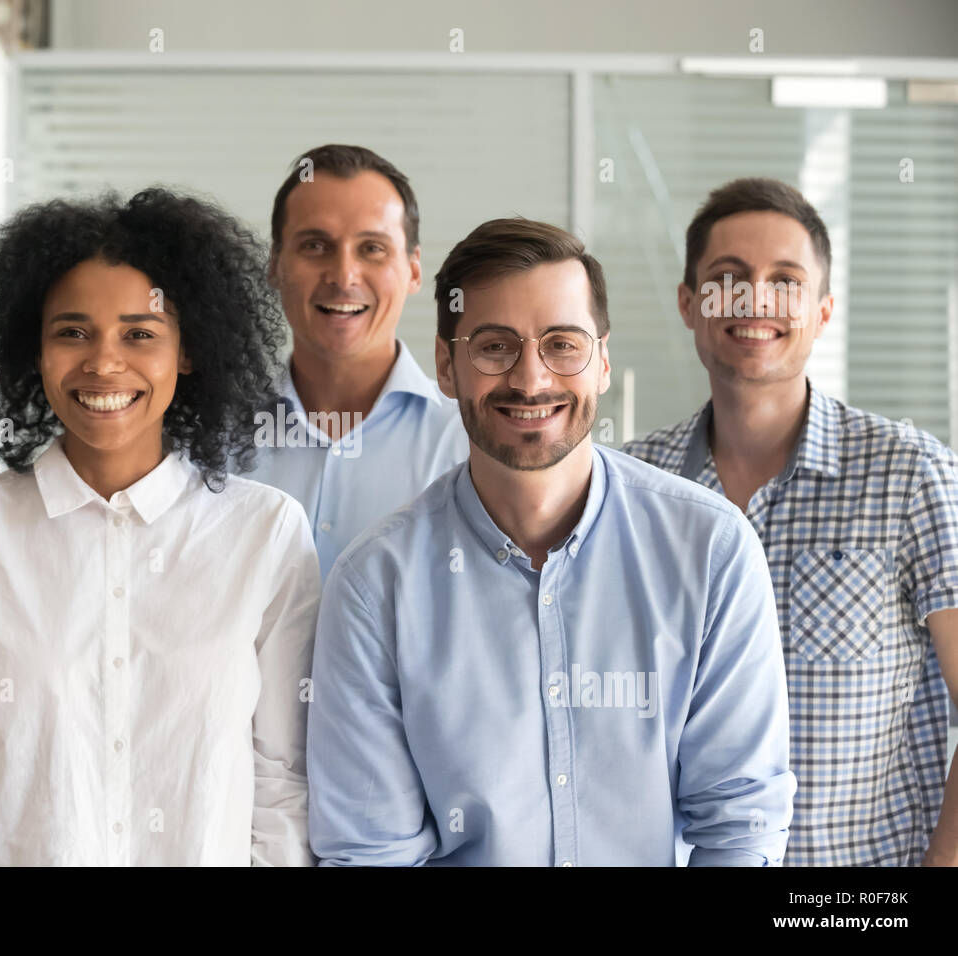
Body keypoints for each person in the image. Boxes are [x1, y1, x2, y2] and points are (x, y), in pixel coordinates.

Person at [307, 216, 796, 866]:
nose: (531, 379)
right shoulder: (375, 585)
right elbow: (372, 853)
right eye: (494, 347)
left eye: (563, 344)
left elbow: (739, 829)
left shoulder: (710, 550)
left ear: (602, 362)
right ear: (447, 367)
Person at [0, 188, 320, 866]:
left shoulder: (267, 533)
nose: (104, 363)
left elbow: (282, 784)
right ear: (35, 350)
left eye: (140, 333)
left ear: (188, 351)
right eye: (71, 332)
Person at [624, 177, 958, 867]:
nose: (755, 301)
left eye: (785, 280)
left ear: (824, 309)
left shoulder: (910, 476)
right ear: (689, 304)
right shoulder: (633, 486)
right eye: (727, 278)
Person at [245, 144, 467, 580]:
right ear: (275, 264)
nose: (344, 276)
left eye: (372, 248)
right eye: (315, 245)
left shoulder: (469, 445)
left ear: (414, 270)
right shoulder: (211, 440)